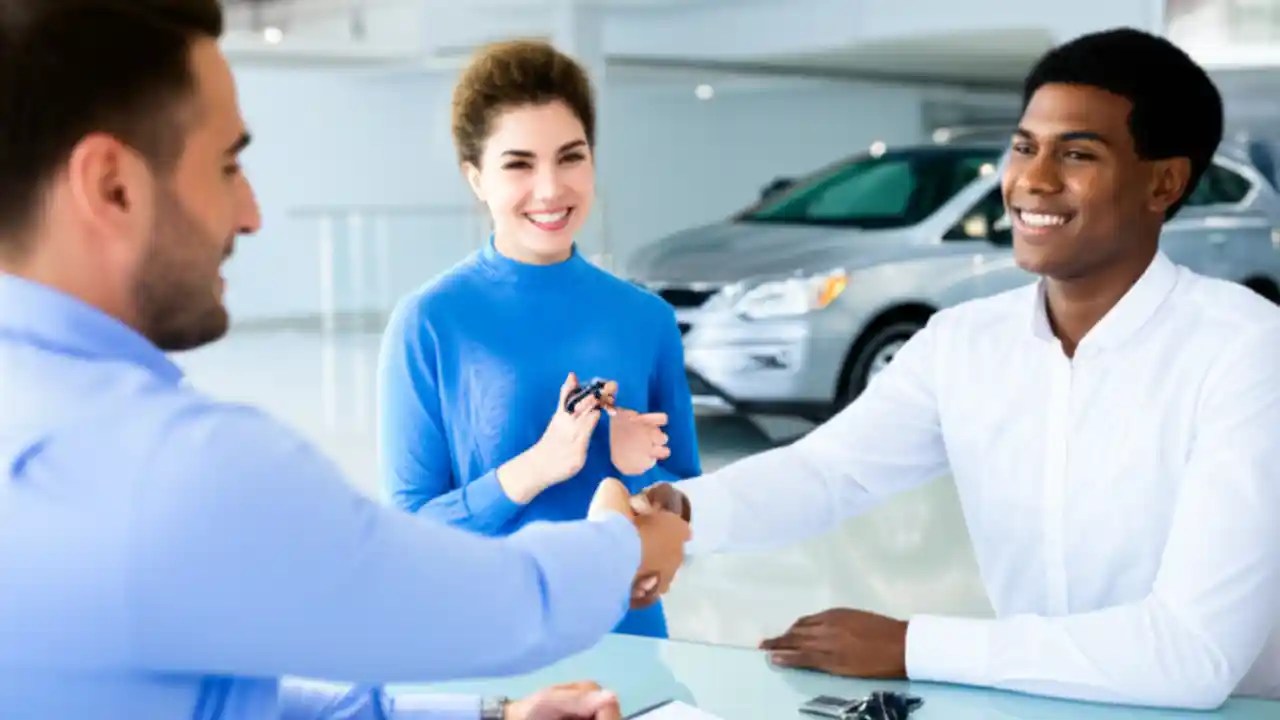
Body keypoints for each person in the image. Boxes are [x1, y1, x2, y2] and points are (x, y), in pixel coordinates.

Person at [0, 2, 690, 718]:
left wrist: (491, 717)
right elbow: (474, 606)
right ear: (113, 187)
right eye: (227, 164)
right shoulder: (176, 465)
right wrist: (617, 536)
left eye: (571, 156)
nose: (253, 213)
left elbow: (223, 697)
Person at [630, 27, 1280, 710]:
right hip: (1030, 701)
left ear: (1164, 182)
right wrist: (685, 511)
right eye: (1025, 146)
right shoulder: (965, 342)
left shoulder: (1246, 352)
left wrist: (913, 646)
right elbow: (828, 472)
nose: (1033, 179)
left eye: (1078, 153)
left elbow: (1191, 654)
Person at [377, 39, 702, 639]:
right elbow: (410, 536)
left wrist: (643, 479)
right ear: (476, 177)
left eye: (570, 157)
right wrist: (538, 466)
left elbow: (688, 506)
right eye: (519, 164)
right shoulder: (429, 321)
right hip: (491, 645)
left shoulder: (645, 318)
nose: (551, 189)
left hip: (627, 640)